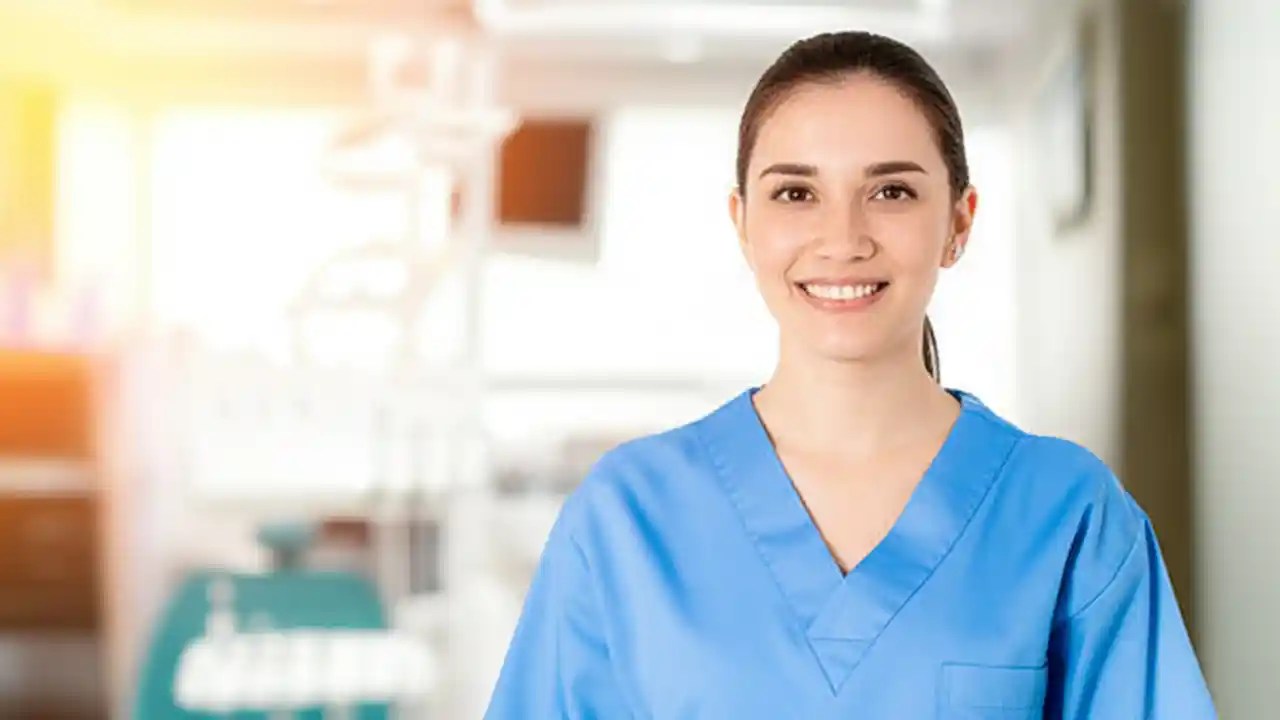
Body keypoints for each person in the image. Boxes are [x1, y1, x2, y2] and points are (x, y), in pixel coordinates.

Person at [484, 31, 1216, 718]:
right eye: (796, 193)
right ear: (742, 223)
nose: (842, 239)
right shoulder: (625, 518)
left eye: (891, 191)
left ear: (959, 223)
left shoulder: (1068, 515)